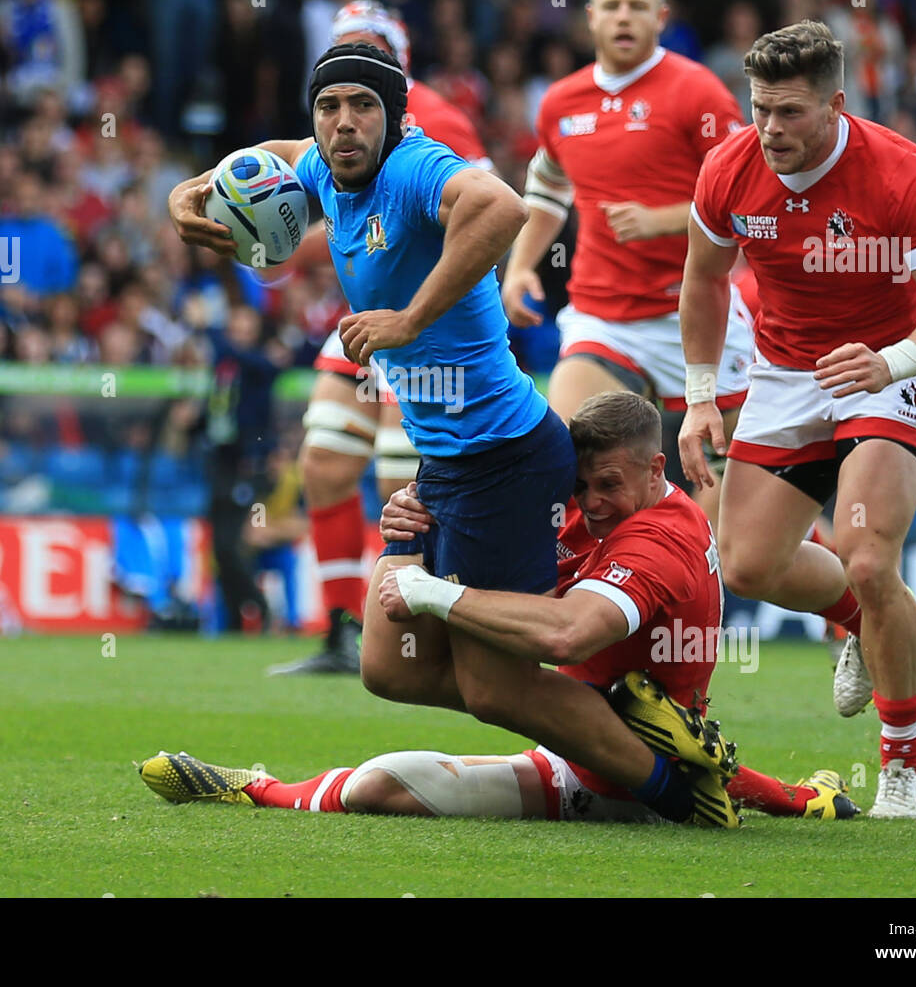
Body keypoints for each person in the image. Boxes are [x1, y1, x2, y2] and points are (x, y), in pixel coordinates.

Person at [170, 49, 728, 826]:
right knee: (387, 667)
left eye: (362, 105)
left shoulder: (413, 167)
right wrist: (186, 193)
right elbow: (276, 155)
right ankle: (609, 722)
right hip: (448, 461)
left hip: (506, 458)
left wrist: (411, 319)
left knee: (496, 689)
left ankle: (679, 792)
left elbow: (502, 205)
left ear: (395, 115)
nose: (343, 122)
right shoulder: (325, 168)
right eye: (328, 106)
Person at [139, 393, 859, 824]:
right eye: (583, 486)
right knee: (387, 670)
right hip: (590, 726)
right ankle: (794, 797)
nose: (593, 503)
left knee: (378, 787)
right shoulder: (584, 505)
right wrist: (412, 535)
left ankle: (253, 788)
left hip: (624, 759)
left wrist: (437, 593)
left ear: (656, 469)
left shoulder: (662, 540)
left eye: (608, 484)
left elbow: (573, 635)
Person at [678, 20, 916, 819]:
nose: (770, 129)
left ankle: (903, 764)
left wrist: (894, 364)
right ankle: (857, 625)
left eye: (789, 113)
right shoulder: (729, 168)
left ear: (837, 104)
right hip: (787, 373)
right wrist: (700, 394)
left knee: (865, 556)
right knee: (744, 565)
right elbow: (705, 281)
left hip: (889, 368)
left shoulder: (896, 170)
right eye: (759, 109)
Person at [273, 0, 491, 676]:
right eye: (342, 44)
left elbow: (482, 216)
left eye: (368, 44)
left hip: (424, 328)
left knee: (406, 476)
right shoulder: (337, 117)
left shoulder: (436, 119)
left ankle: (428, 626)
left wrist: (286, 250)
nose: (352, 53)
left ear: (398, 58)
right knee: (324, 463)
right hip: (363, 321)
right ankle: (341, 630)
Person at [500, 0, 753, 522]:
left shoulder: (698, 93)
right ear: (588, 16)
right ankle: (590, 606)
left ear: (661, 16)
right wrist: (519, 267)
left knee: (727, 532)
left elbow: (747, 202)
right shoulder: (561, 103)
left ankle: (821, 581)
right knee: (567, 465)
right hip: (603, 315)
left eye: (637, 7)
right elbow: (547, 187)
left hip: (692, 317)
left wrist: (661, 218)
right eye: (611, 5)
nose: (623, 17)